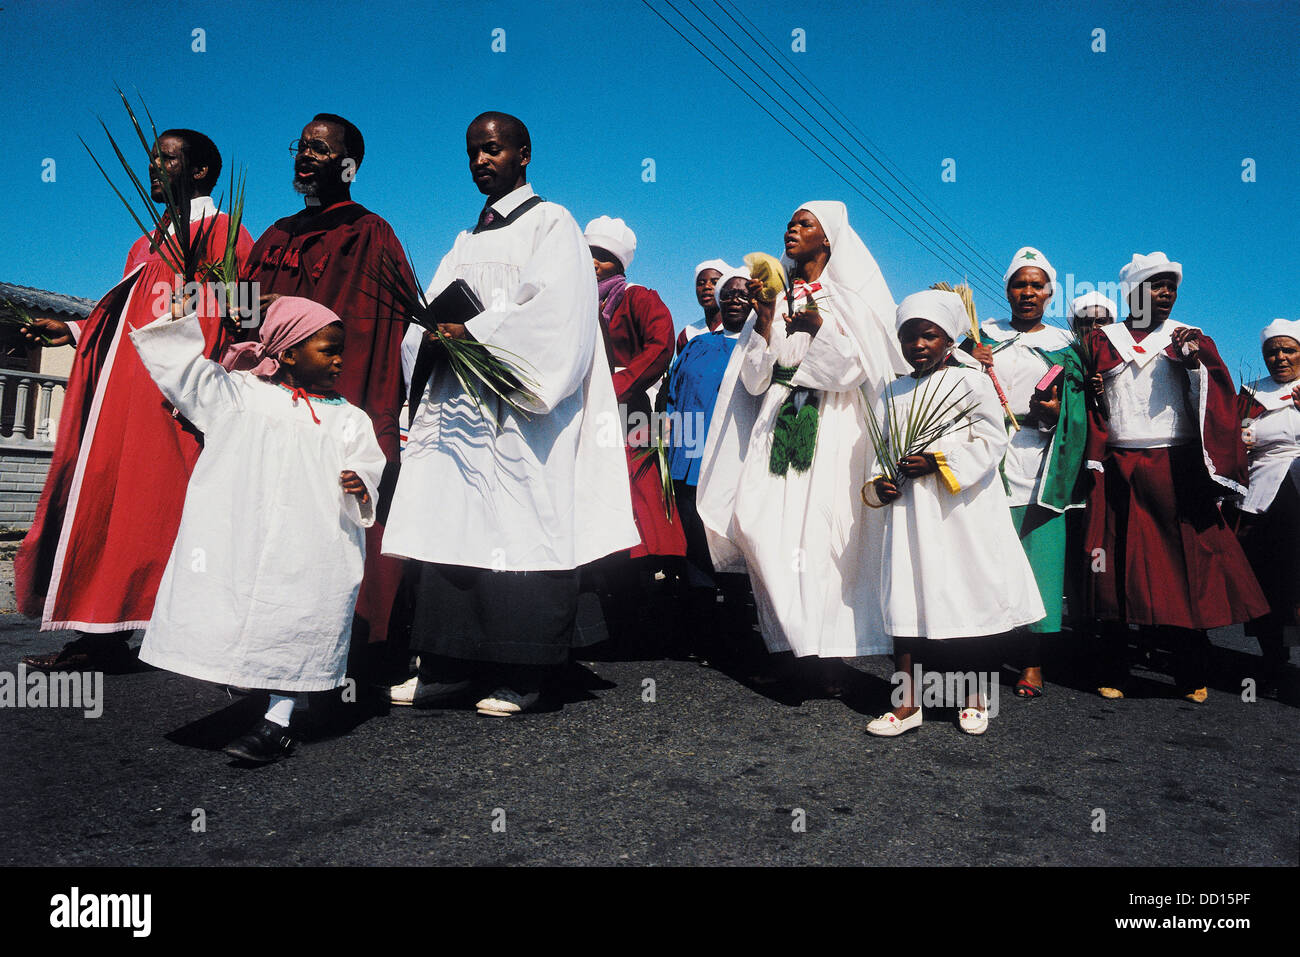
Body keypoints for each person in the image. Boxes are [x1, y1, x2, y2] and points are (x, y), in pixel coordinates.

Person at [383, 112, 638, 716]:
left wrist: (474, 332)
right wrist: (430, 334)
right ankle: (449, 664)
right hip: (461, 408)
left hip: (521, 413)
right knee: (452, 521)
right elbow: (423, 320)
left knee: (521, 528)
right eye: (472, 151)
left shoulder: (553, 224)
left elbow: (559, 319)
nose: (480, 160)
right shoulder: (464, 242)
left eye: (493, 149)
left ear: (524, 154)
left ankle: (525, 670)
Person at [16, 129, 252, 670]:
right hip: (121, 398)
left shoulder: (225, 236)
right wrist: (75, 331)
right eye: (151, 158)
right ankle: (102, 629)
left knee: (164, 509)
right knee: (109, 506)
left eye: (166, 158)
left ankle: (187, 632)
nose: (153, 167)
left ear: (201, 172)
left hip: (172, 399)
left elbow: (243, 313)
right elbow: (127, 317)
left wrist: (198, 383)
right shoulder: (144, 243)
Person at [130, 296, 385, 762]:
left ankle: (279, 721)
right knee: (243, 610)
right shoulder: (238, 394)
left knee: (302, 620)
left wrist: (360, 482)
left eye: (340, 350)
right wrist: (187, 315)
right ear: (287, 353)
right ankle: (262, 689)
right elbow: (183, 371)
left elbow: (369, 463)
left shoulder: (349, 418)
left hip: (315, 541)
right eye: (327, 349)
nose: (338, 360)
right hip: (243, 534)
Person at [697, 201, 907, 689]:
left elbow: (852, 370)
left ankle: (822, 657)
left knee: (820, 542)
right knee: (760, 524)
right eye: (789, 223)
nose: (791, 229)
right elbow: (753, 379)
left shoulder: (848, 301)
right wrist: (767, 321)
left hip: (834, 432)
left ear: (827, 239)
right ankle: (787, 644)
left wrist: (818, 329)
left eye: (804, 224)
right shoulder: (775, 296)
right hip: (777, 426)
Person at [241, 113, 413, 680]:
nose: (305, 155)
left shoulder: (371, 233)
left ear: (348, 165)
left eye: (319, 147)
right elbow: (236, 313)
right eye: (301, 146)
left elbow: (387, 330)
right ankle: (265, 650)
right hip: (273, 403)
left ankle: (352, 652)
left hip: (339, 402)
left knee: (334, 523)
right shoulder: (275, 235)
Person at [1085, 252, 1269, 702]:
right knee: (1116, 563)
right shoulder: (1102, 341)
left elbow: (1215, 394)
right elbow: (1085, 401)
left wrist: (1195, 364)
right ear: (1134, 291)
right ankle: (1115, 666)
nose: (1165, 293)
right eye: (1156, 285)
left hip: (1176, 462)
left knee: (1182, 565)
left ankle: (1189, 671)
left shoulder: (1188, 337)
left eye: (1171, 286)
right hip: (1120, 461)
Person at [863, 290, 1045, 736]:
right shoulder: (894, 388)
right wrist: (879, 483)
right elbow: (882, 446)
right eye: (909, 338)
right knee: (905, 599)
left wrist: (940, 461)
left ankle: (973, 696)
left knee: (967, 598)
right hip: (908, 511)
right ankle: (907, 703)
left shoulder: (971, 380)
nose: (918, 345)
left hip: (958, 508)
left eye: (929, 336)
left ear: (949, 338)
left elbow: (991, 439)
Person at [963, 248, 1086, 698]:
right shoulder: (981, 336)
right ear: (1007, 290)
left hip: (1041, 462)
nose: (1027, 292)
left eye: (1037, 285)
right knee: (987, 557)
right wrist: (967, 362)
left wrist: (1055, 411)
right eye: (1019, 284)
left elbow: (1079, 407)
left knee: (1039, 563)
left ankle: (1032, 661)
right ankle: (983, 651)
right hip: (987, 459)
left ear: (1050, 293)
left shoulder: (1064, 346)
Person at [663, 266, 751, 657]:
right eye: (728, 293)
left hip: (729, 464)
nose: (734, 298)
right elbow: (672, 395)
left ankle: (739, 636)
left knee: (728, 549)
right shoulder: (697, 344)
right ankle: (699, 632)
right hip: (685, 461)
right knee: (695, 548)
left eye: (743, 293)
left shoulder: (758, 349)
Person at [1234, 318, 1300, 684]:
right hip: (1260, 490)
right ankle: (1273, 655)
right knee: (1263, 578)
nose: (1280, 357)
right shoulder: (1250, 394)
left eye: (1288, 349)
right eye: (1271, 351)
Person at [676, 259, 728, 354]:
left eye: (715, 282)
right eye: (700, 283)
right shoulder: (688, 334)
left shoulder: (740, 329)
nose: (707, 287)